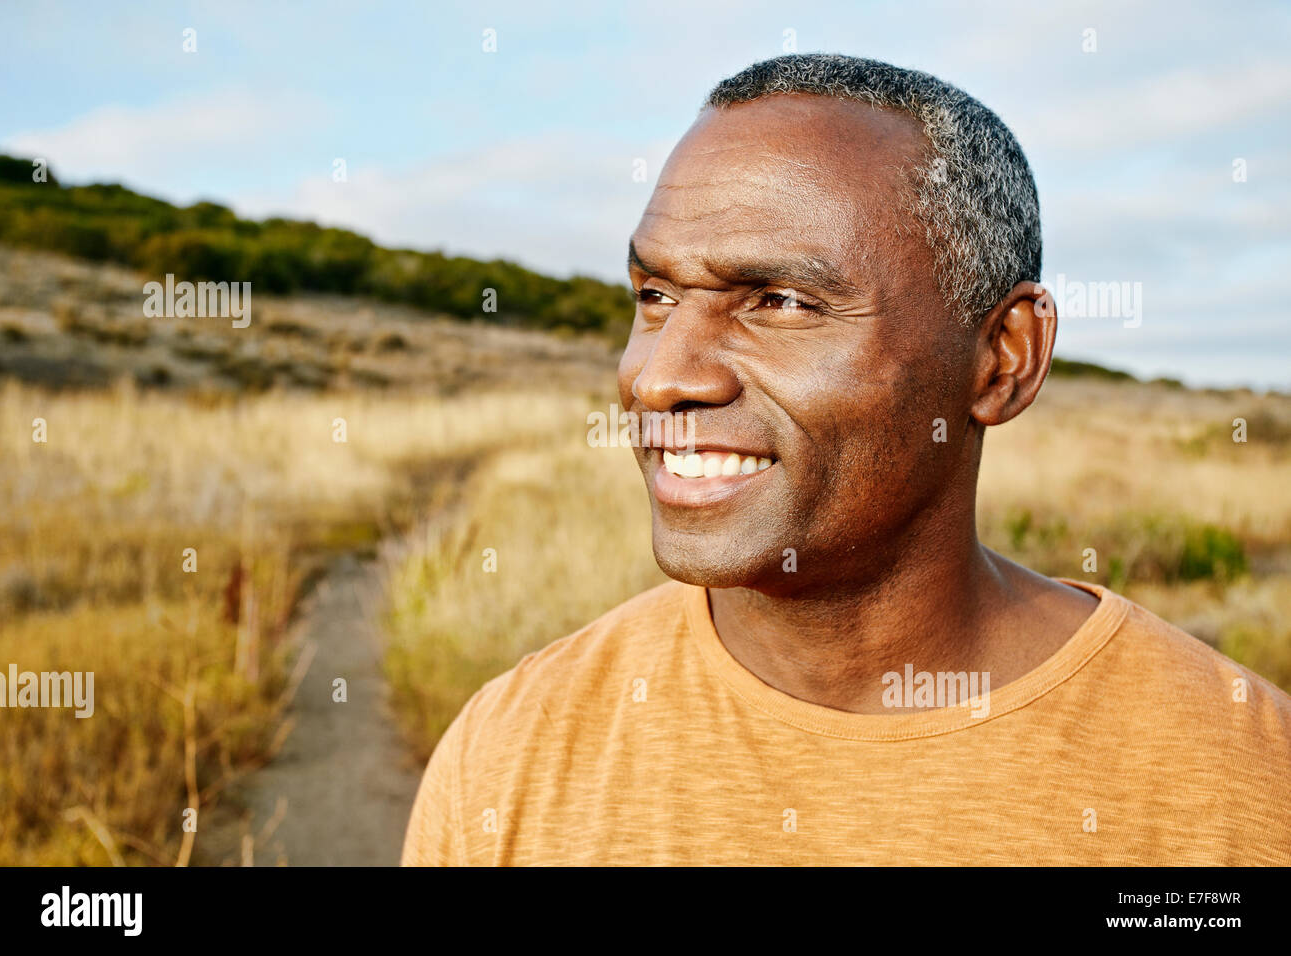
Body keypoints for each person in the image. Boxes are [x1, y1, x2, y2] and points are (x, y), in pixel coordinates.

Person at [402, 53, 1291, 866]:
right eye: (656, 294)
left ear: (1003, 356)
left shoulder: (1240, 782)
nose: (661, 377)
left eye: (782, 301)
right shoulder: (509, 754)